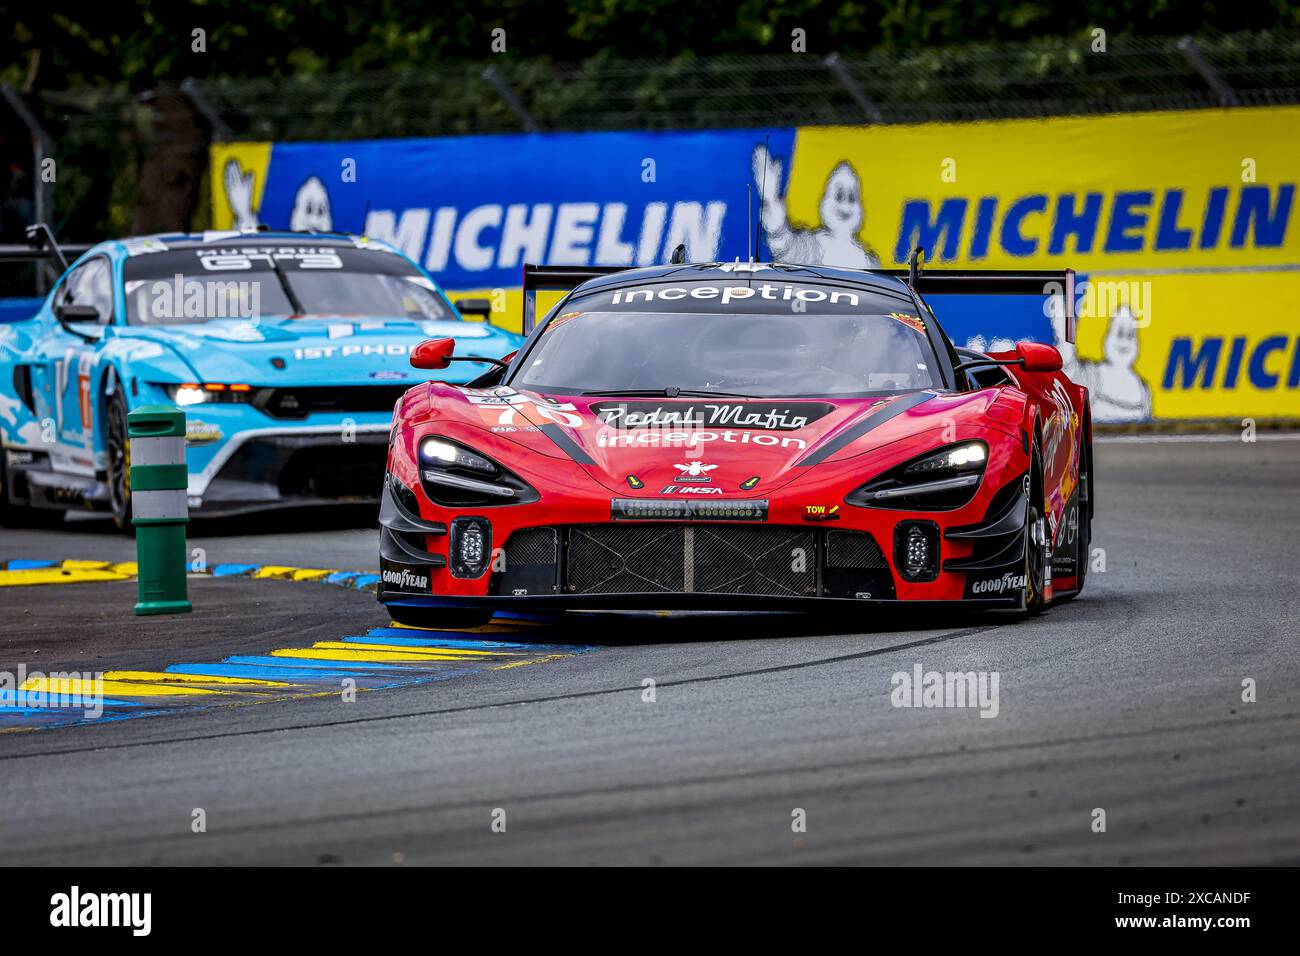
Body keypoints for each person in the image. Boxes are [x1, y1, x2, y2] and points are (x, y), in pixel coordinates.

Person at [752, 144, 880, 269]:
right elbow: (782, 245)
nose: (845, 204)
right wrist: (770, 198)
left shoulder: (871, 262)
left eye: (852, 197)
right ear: (824, 202)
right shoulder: (811, 246)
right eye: (839, 195)